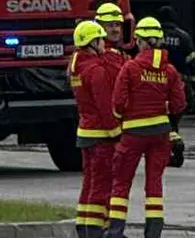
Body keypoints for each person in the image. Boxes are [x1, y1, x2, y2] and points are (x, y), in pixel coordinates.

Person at [111, 15, 187, 238]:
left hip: (133, 134)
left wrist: (121, 118)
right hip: (160, 134)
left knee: (121, 183)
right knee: (154, 185)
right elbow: (179, 105)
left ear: (141, 41)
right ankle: (153, 232)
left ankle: (116, 231)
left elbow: (118, 103)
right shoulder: (170, 71)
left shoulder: (130, 68)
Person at [70, 19, 121, 235]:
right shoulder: (96, 70)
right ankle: (95, 229)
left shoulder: (76, 66)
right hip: (101, 135)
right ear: (92, 42)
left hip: (85, 132)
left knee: (89, 182)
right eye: (100, 39)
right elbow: (104, 105)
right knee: (102, 184)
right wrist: (117, 132)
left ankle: (83, 224)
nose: (104, 43)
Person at [155, 5, 195, 166]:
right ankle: (174, 144)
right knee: (173, 120)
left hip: (157, 84)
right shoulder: (184, 37)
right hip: (180, 84)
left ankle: (168, 150)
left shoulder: (155, 37)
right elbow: (193, 63)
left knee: (160, 121)